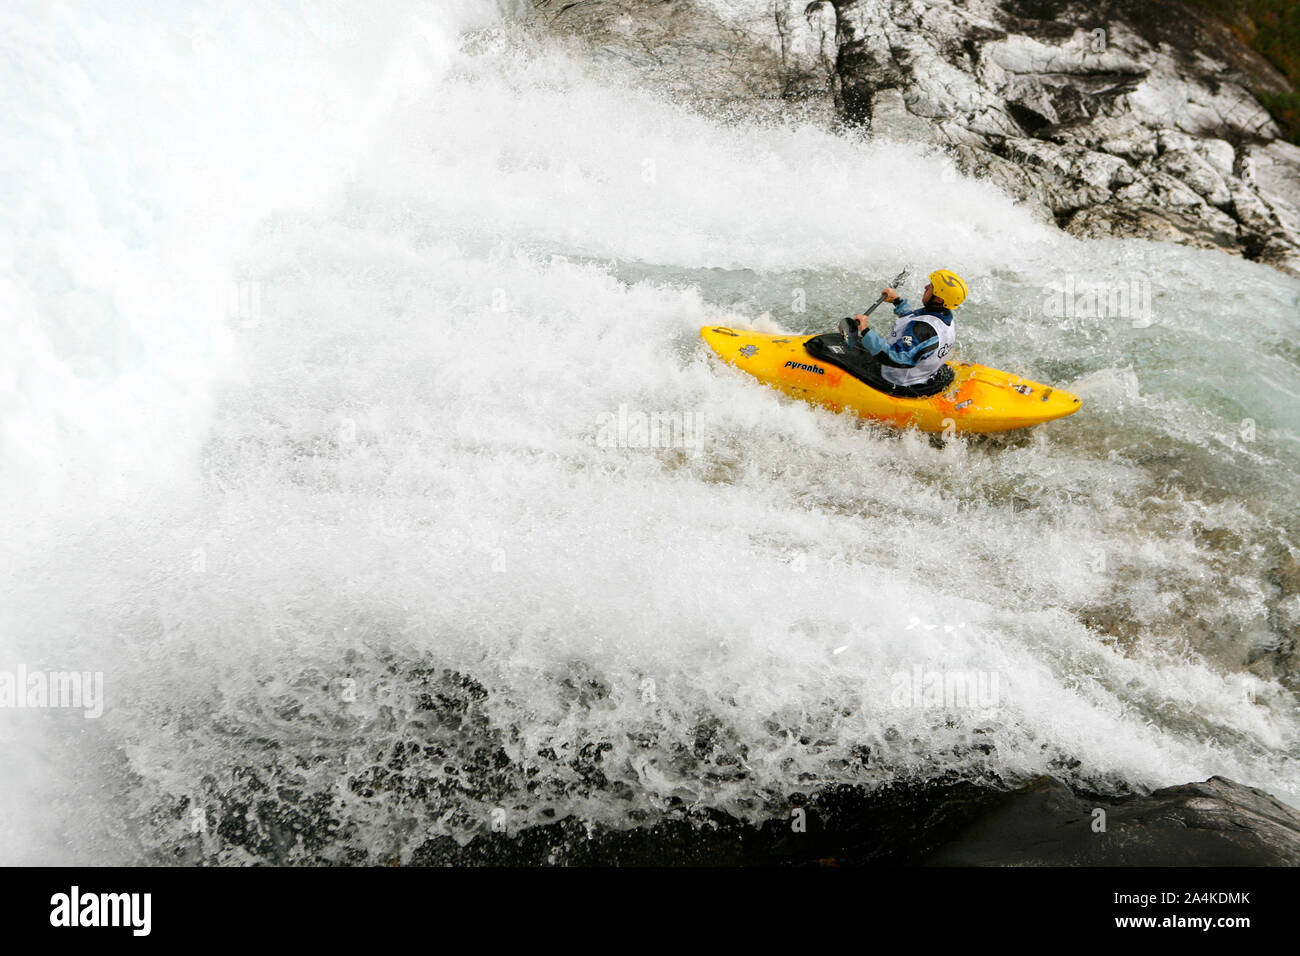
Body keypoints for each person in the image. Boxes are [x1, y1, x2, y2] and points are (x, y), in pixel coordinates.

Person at [843, 269, 968, 391]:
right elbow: (917, 322)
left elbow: (897, 359)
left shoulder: (923, 329)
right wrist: (898, 302)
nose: (925, 287)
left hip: (897, 380)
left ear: (939, 299)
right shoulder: (946, 317)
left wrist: (865, 331)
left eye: (930, 287)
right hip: (922, 374)